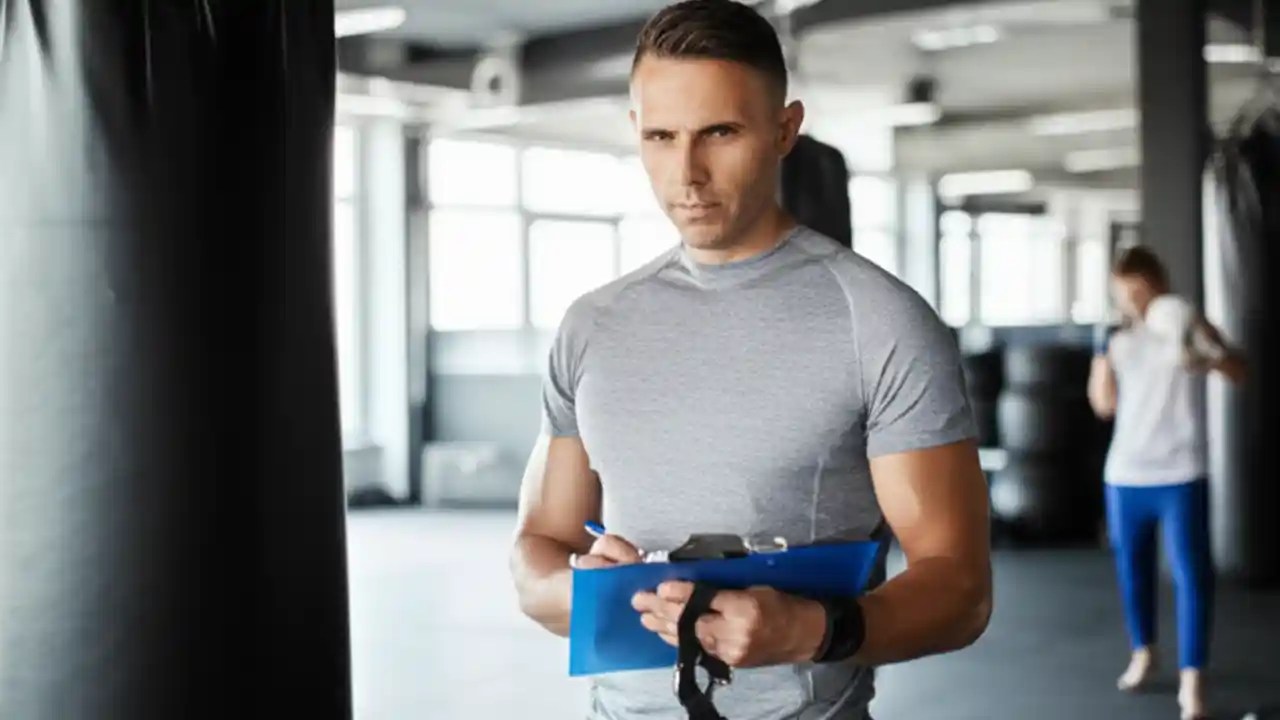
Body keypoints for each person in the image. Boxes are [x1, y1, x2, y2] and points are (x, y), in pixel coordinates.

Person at [508, 1, 993, 718]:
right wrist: (580, 586)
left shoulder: (880, 322)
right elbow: (538, 551)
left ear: (784, 129)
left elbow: (961, 589)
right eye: (661, 136)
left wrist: (814, 629)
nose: (688, 173)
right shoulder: (593, 327)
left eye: (720, 133)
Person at [1087, 246, 1246, 720]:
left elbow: (1239, 370)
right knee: (1132, 572)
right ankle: (1144, 654)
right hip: (1126, 474)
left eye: (1137, 290)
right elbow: (1103, 406)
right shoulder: (1119, 337)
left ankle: (1192, 681)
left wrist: (1207, 356)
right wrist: (1101, 352)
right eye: (1123, 293)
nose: (1131, 300)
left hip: (1180, 471)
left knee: (1192, 575)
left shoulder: (1186, 319)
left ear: (1155, 283)